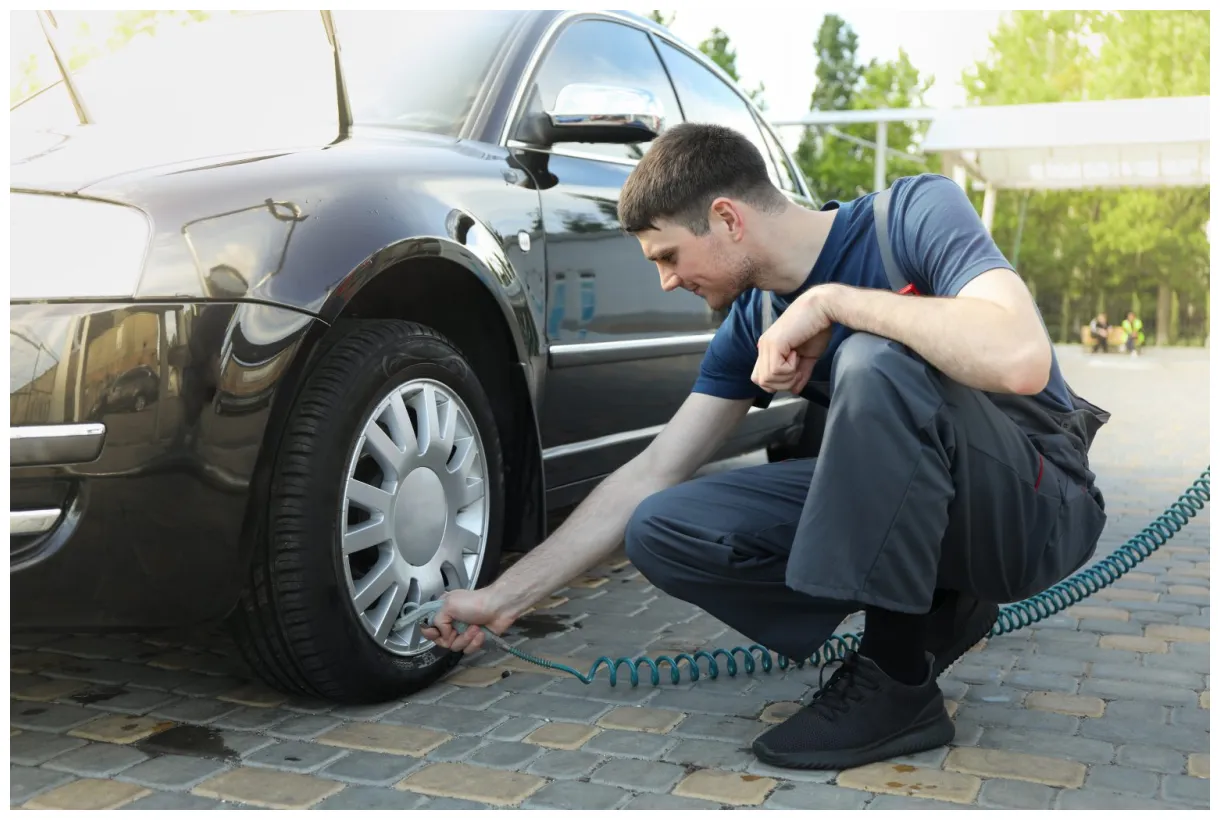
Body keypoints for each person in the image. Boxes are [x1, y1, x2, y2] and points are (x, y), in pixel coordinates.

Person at [423, 123, 1110, 770]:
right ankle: (937, 602)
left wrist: (837, 304)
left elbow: (1020, 357)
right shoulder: (754, 319)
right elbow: (653, 472)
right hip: (942, 510)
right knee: (660, 525)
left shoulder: (912, 214)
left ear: (727, 218)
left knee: (874, 362)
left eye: (668, 255)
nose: (666, 279)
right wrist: (505, 596)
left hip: (1036, 504)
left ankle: (896, 680)